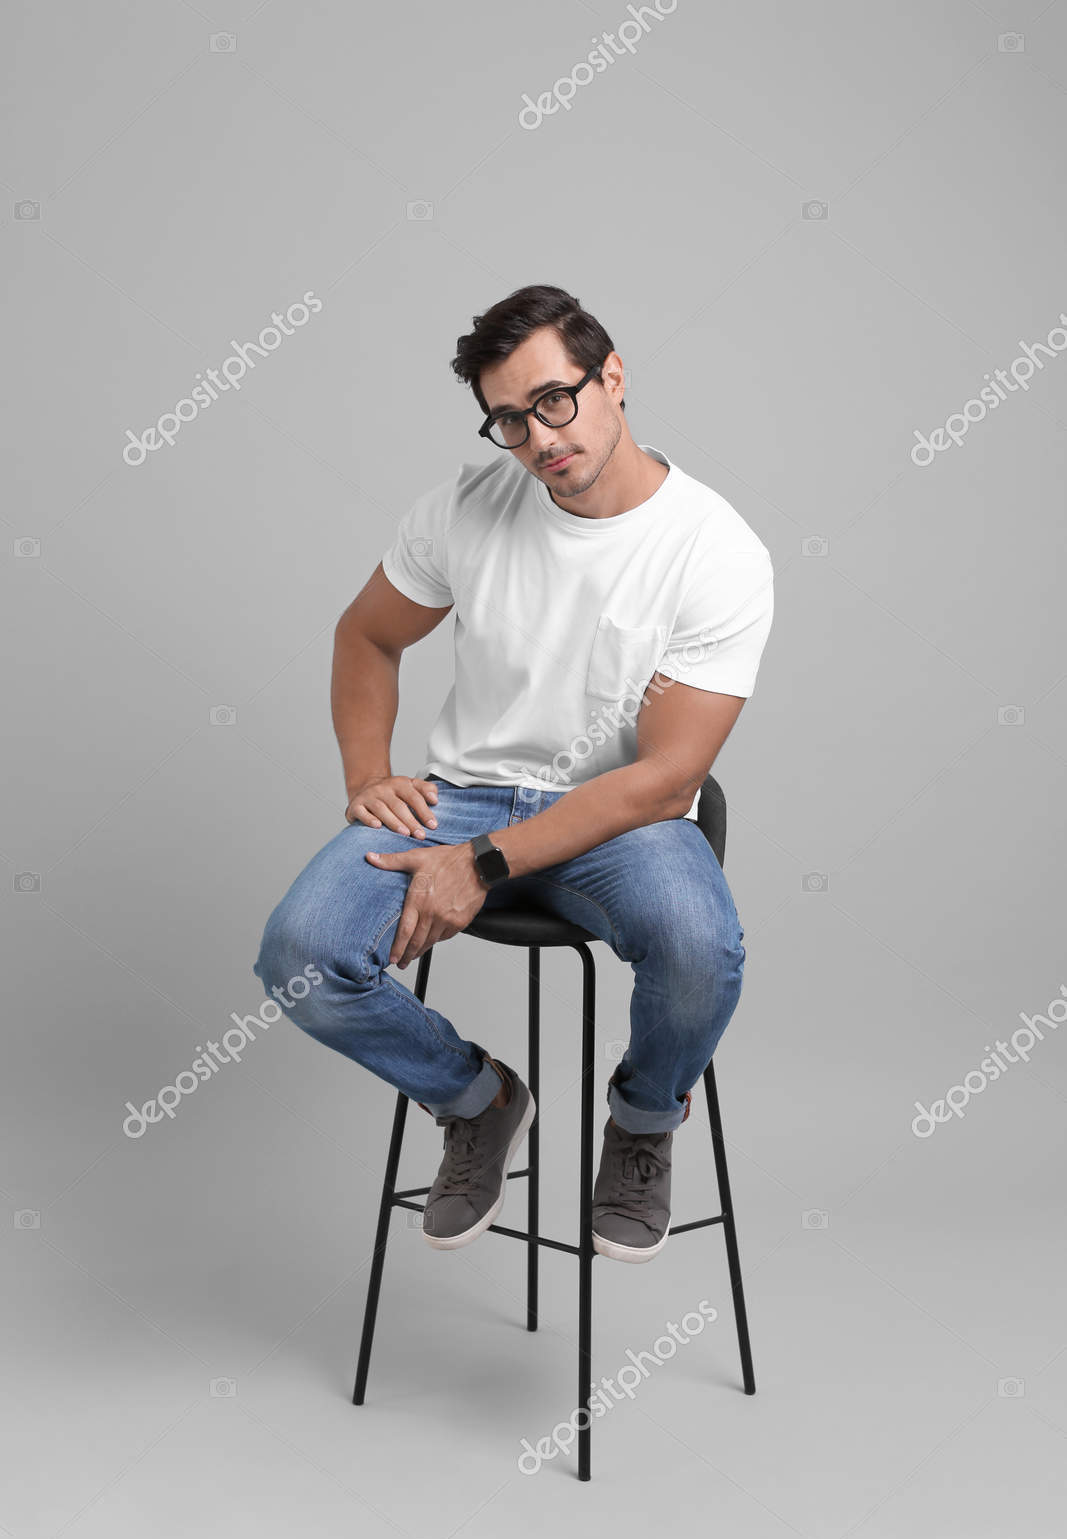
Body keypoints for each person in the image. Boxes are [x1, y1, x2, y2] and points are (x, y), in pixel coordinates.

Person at [254, 283, 773, 1264]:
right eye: (507, 418)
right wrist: (368, 771)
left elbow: (664, 780)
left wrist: (480, 864)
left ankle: (643, 1120)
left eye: (553, 400)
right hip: (461, 793)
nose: (536, 437)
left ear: (610, 377)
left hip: (622, 814)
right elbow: (365, 635)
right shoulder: (464, 505)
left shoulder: (714, 550)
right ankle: (477, 1098)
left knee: (700, 943)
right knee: (301, 955)